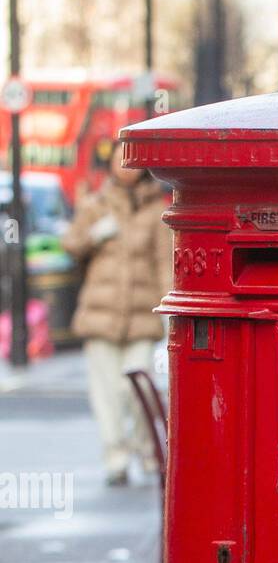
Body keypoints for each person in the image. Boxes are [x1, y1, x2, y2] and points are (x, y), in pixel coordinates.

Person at [62, 144, 171, 485]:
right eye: (118, 160)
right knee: (106, 393)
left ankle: (142, 446)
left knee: (134, 388)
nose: (125, 167)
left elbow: (165, 262)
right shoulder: (95, 205)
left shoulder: (156, 211)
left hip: (141, 316)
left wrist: (170, 306)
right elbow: (70, 244)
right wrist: (94, 235)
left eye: (130, 161)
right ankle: (116, 458)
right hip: (100, 313)